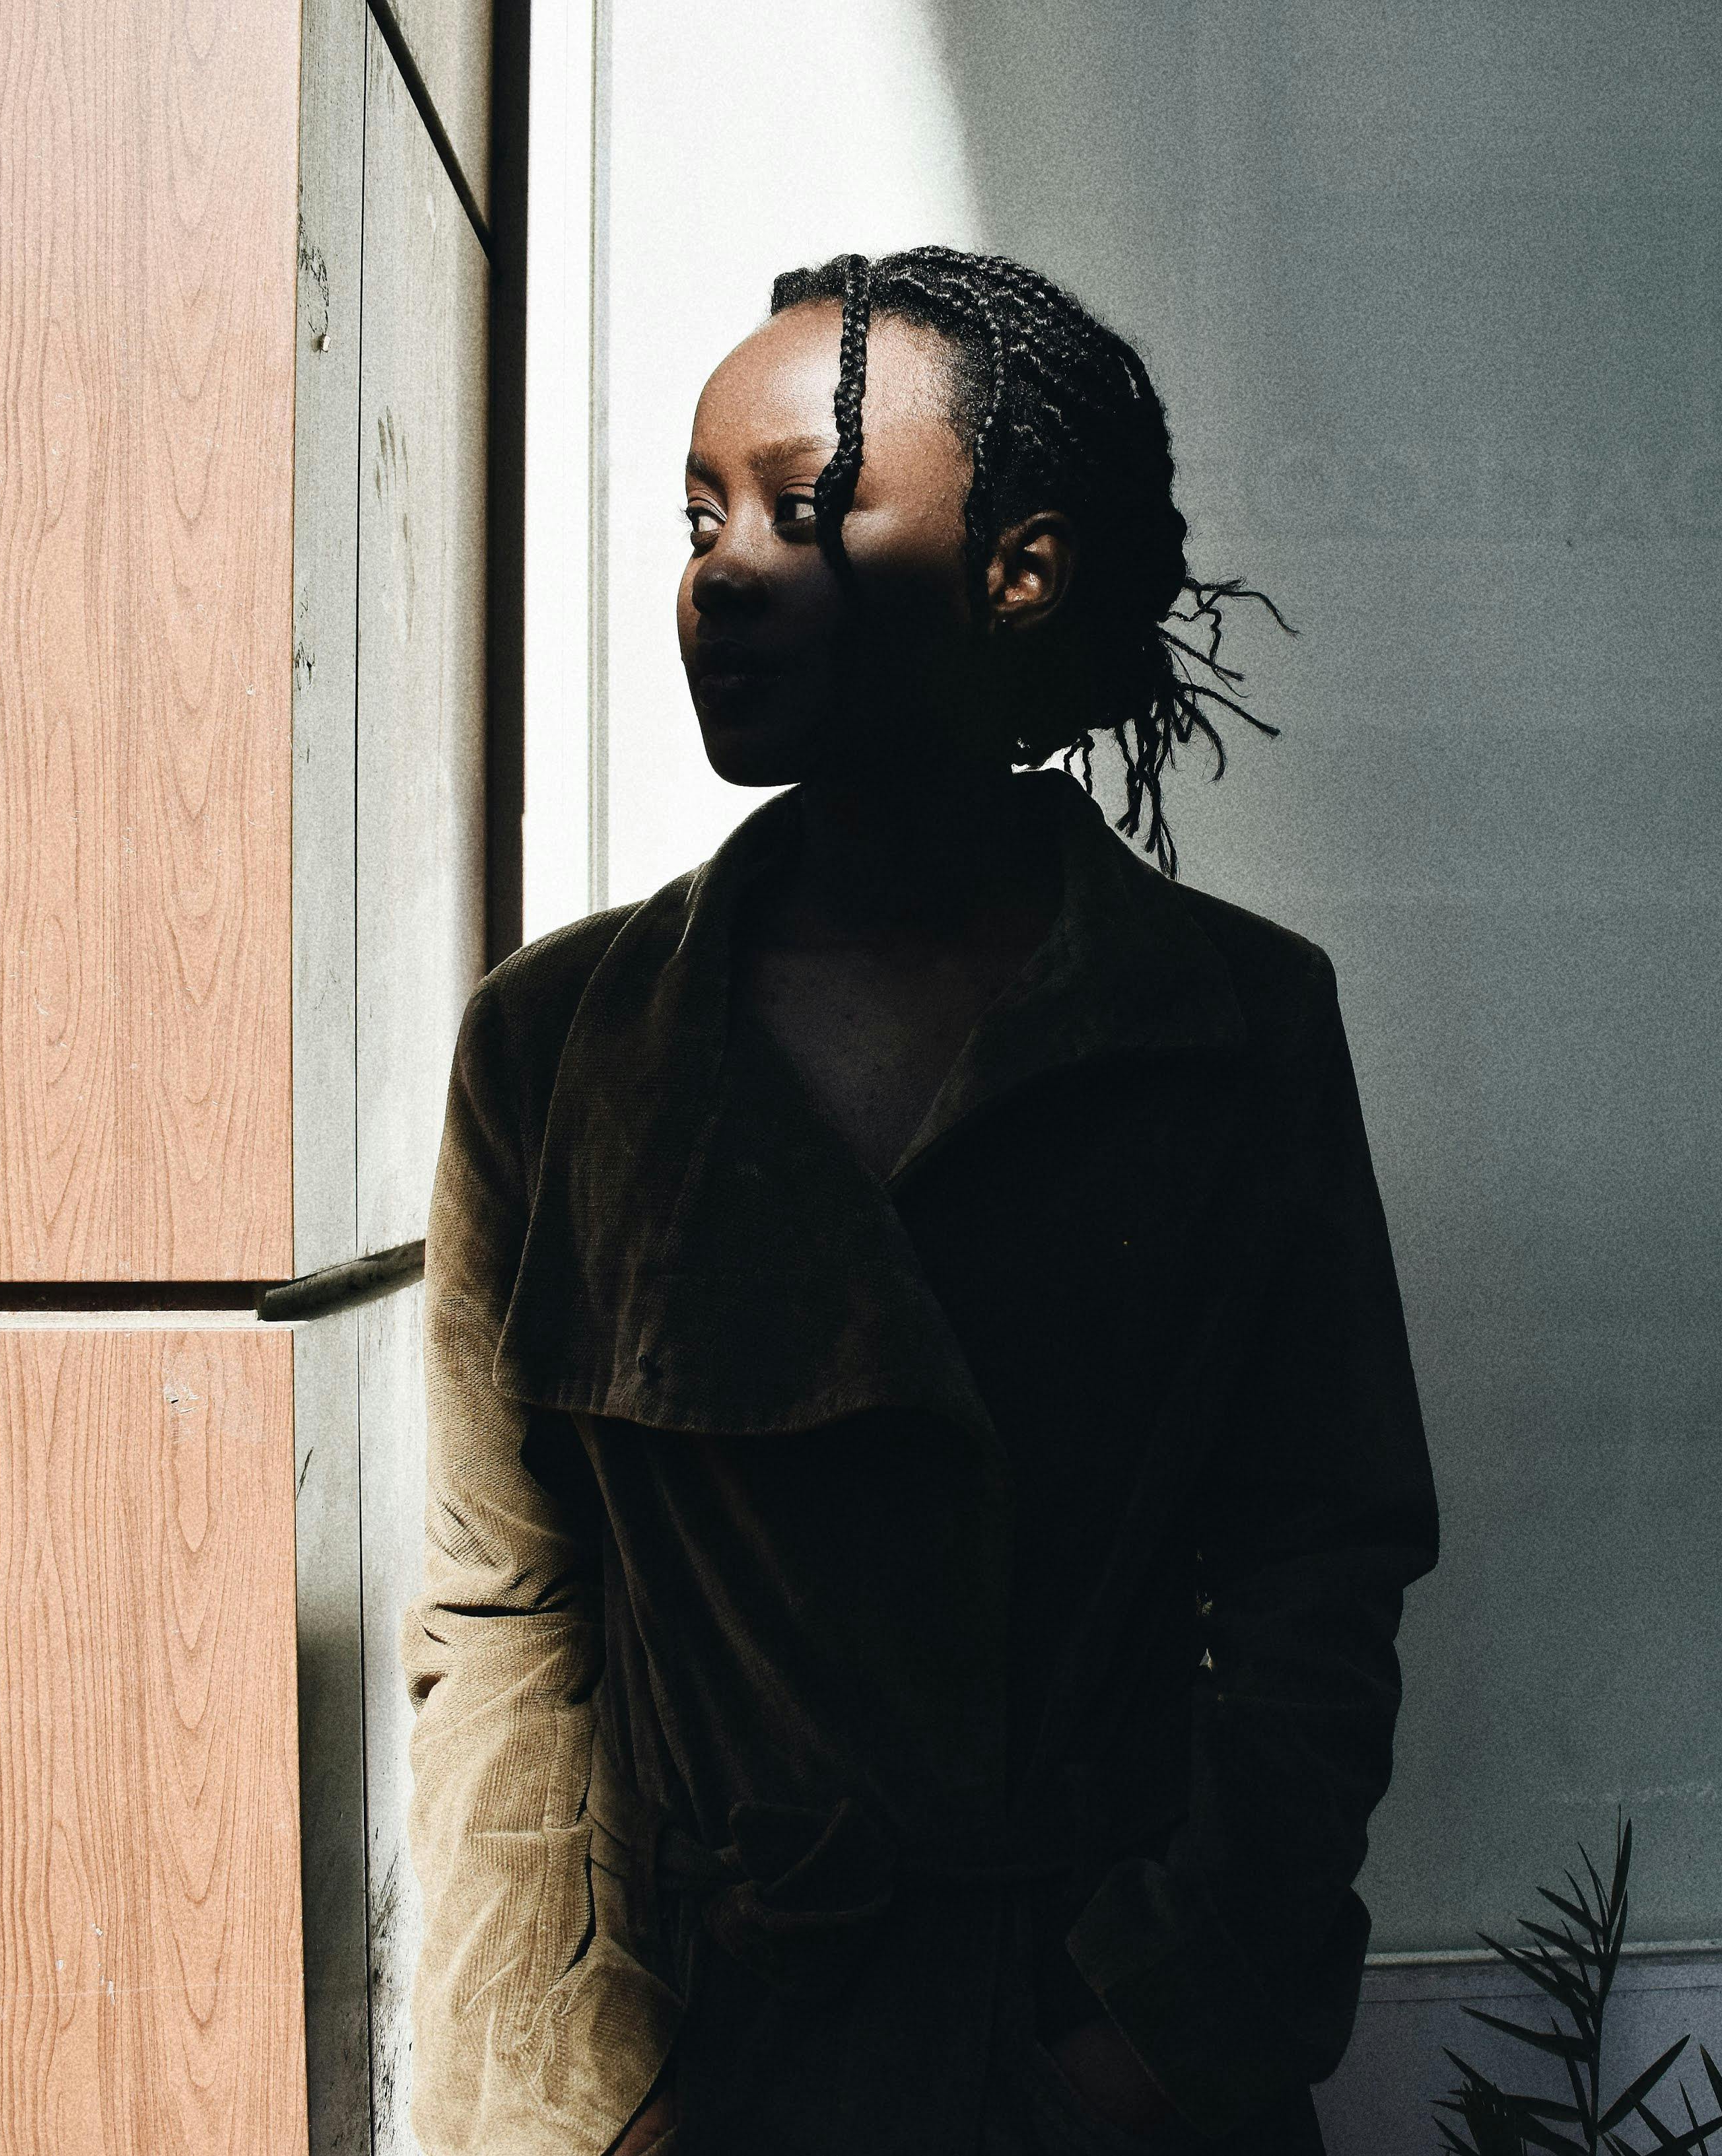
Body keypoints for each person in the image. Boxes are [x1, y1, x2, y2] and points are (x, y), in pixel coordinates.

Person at [401, 245, 1437, 2155]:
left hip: (1091, 2063)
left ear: (1019, 568)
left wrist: (1150, 2036)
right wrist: (538, 2097)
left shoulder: (1231, 1026)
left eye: (803, 508)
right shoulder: (560, 1047)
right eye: (697, 517)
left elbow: (1319, 1574)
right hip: (698, 2068)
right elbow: (510, 1614)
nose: (721, 570)